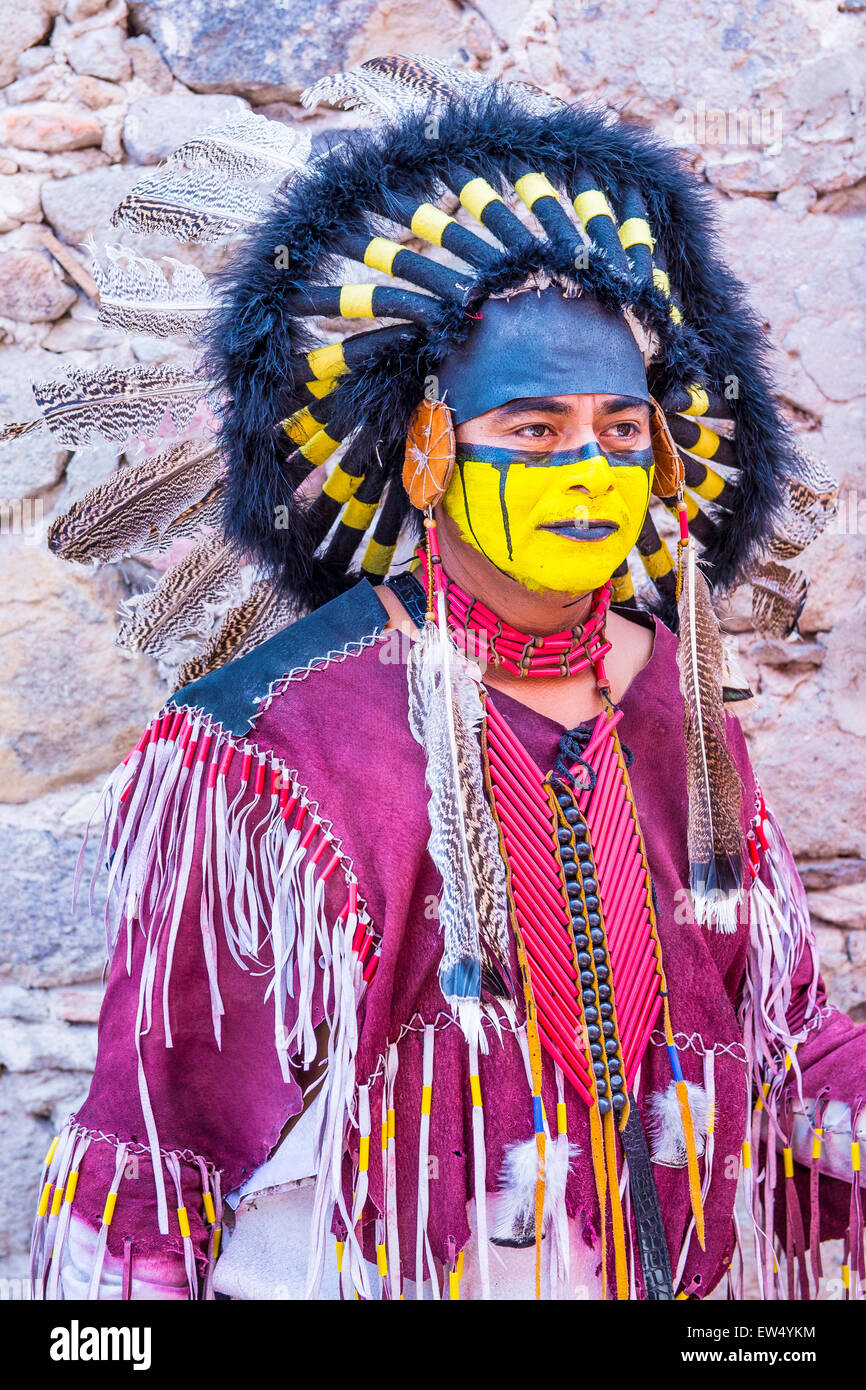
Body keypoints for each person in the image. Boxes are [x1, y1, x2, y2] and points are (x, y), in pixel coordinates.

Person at [20, 55, 862, 1301]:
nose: (593, 472)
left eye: (623, 433)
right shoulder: (271, 747)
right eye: (532, 431)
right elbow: (167, 1140)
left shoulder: (675, 702)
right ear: (425, 451)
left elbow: (775, 1029)